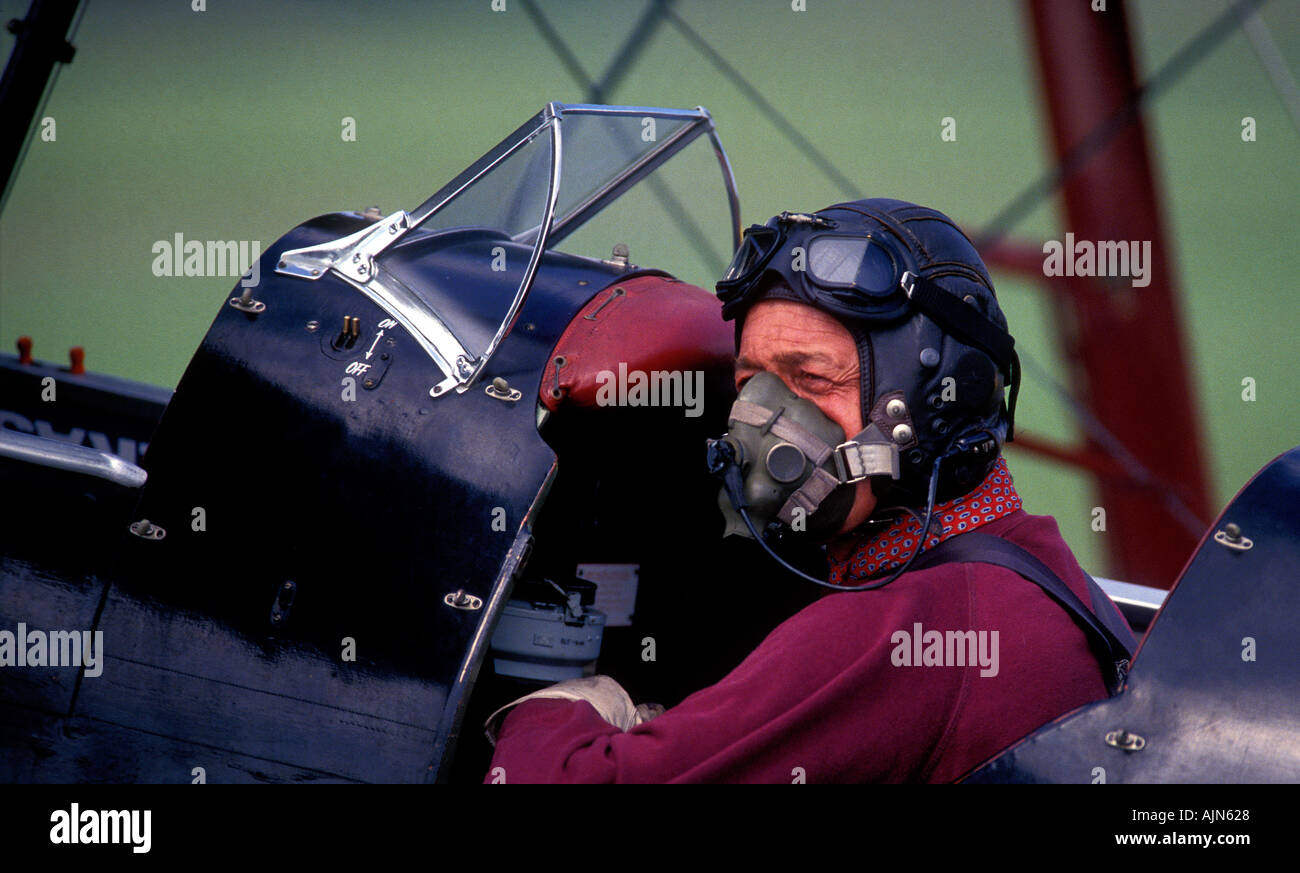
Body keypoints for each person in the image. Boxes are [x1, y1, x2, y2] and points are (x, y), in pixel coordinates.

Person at [483, 197, 1135, 783]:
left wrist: (561, 710)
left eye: (812, 379)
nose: (762, 420)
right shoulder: (1041, 566)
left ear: (938, 408)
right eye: (752, 380)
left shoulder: (898, 630)